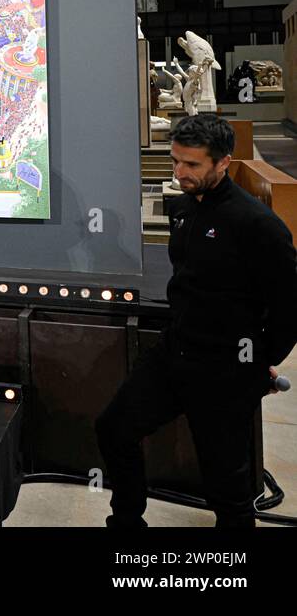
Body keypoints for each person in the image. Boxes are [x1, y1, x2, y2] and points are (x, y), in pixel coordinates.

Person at [96, 113, 297, 526]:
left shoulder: (257, 225)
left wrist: (259, 362)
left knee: (228, 487)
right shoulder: (184, 208)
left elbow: (289, 308)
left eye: (192, 165)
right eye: (175, 161)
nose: (179, 172)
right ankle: (127, 522)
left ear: (223, 162)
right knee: (114, 429)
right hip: (174, 353)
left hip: (225, 371)